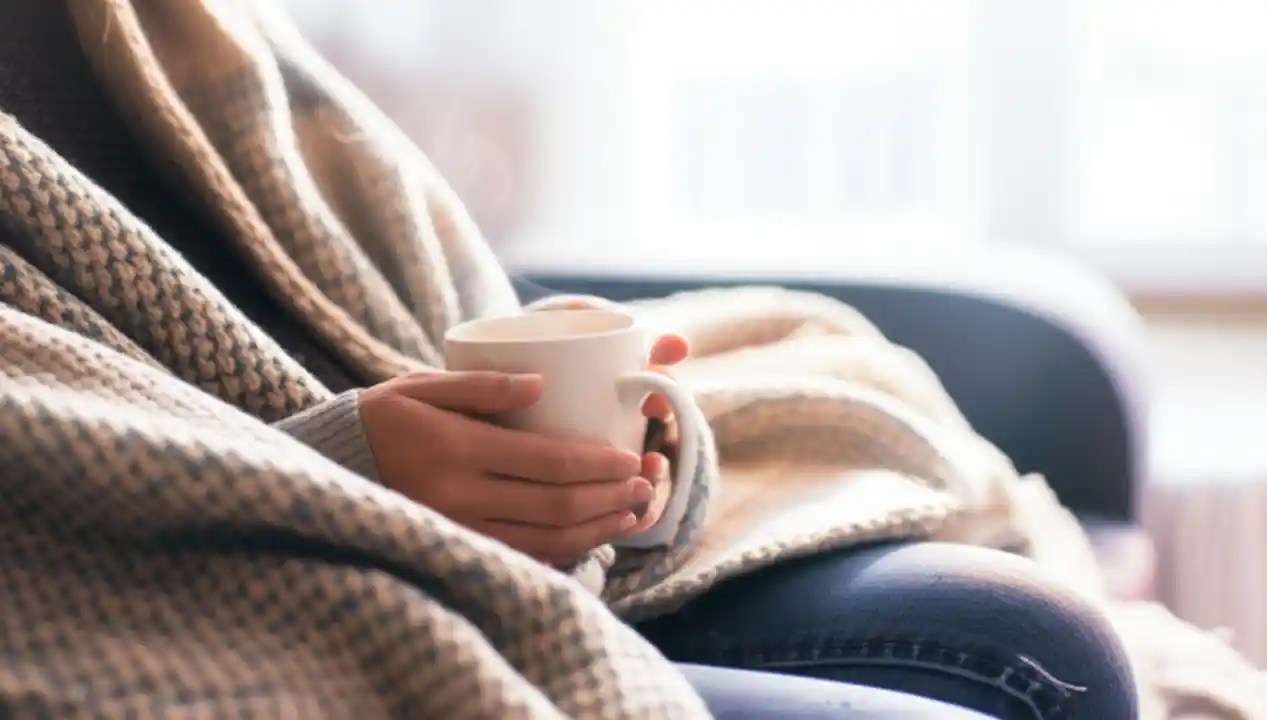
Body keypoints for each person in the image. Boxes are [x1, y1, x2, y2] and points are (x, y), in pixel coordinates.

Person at [0, 1, 1138, 717]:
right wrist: (349, 470)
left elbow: (422, 299)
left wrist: (627, 444)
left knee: (1047, 638)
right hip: (245, 579)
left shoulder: (181, 27)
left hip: (528, 541)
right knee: (1026, 672)